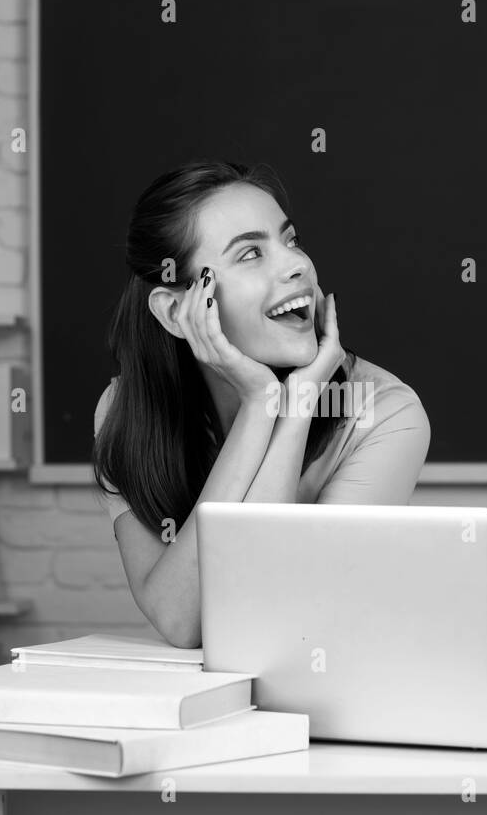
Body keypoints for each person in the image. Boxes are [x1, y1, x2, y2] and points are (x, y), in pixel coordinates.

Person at [90, 159, 433, 649]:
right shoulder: (125, 411)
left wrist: (294, 412)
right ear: (175, 310)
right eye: (250, 253)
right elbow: (179, 620)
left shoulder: (386, 414)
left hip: (432, 699)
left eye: (290, 240)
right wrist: (259, 407)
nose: (298, 264)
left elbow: (273, 619)